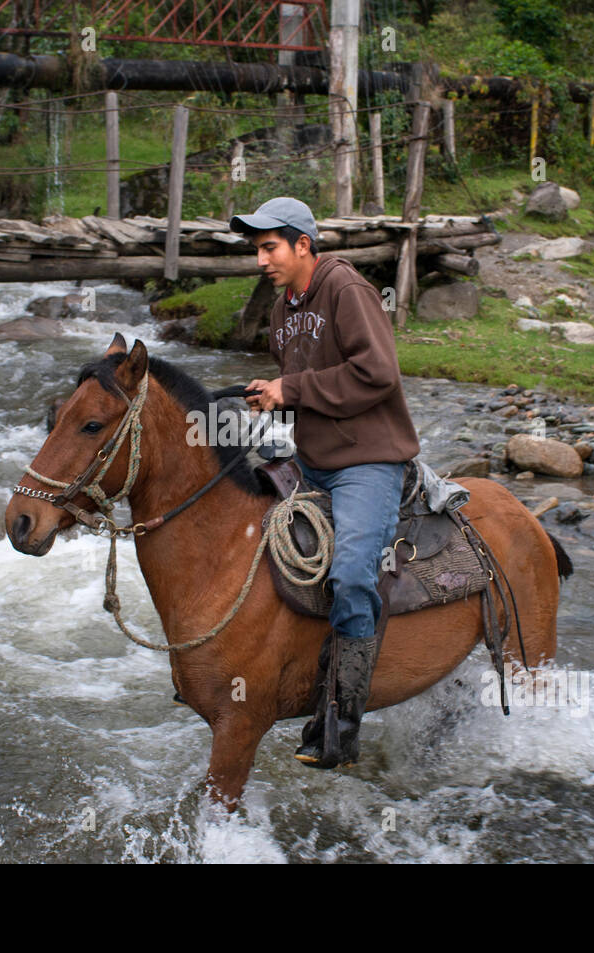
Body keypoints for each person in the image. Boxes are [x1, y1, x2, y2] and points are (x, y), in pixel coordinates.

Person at [230, 197, 420, 769]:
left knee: (351, 571)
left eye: (270, 247)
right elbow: (302, 383)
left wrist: (294, 390)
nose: (261, 260)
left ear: (303, 245)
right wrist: (274, 392)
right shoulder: (283, 309)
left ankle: (340, 724)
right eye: (257, 250)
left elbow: (378, 373)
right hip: (313, 459)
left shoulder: (346, 290)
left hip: (368, 462)